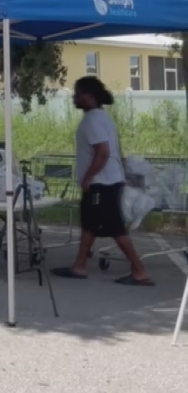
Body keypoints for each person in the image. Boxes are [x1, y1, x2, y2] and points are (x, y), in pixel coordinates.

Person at [52, 76, 154, 286]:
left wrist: (88, 177)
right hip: (108, 181)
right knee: (89, 224)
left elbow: (103, 152)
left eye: (78, 93)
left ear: (89, 96)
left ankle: (140, 271)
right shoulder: (102, 117)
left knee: (115, 228)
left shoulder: (92, 121)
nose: (74, 97)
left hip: (101, 183)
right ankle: (79, 265)